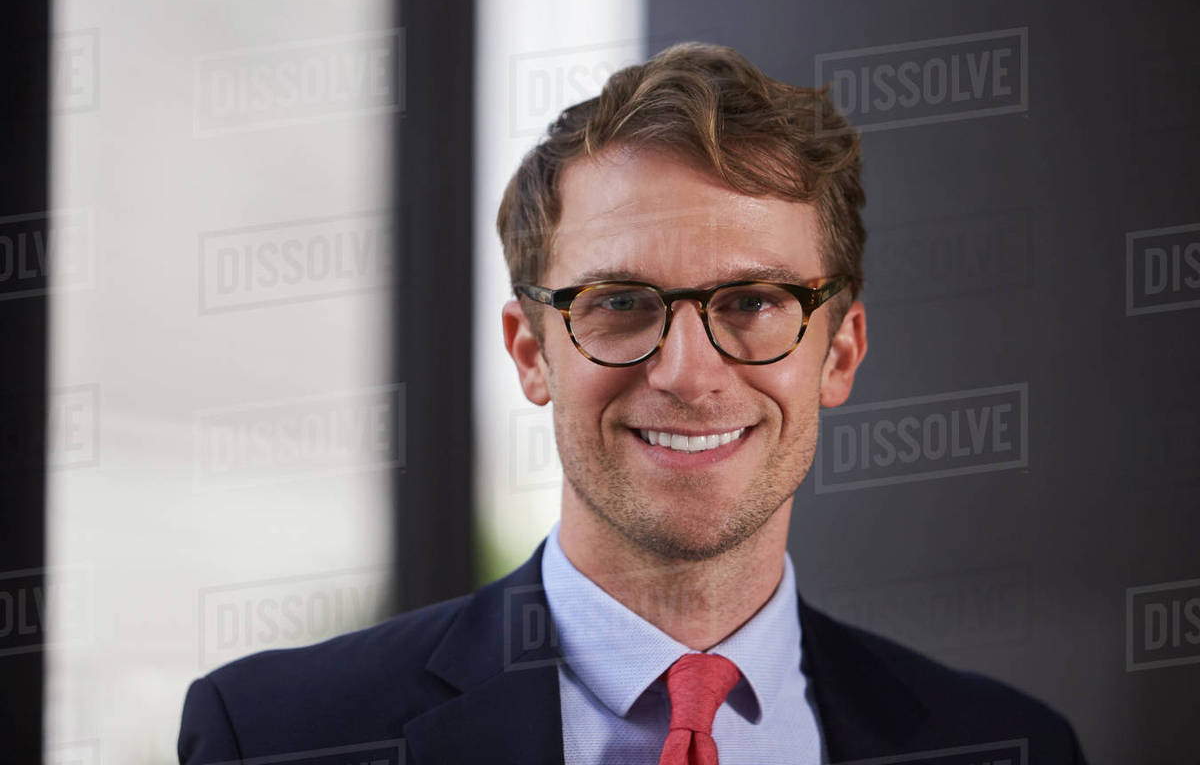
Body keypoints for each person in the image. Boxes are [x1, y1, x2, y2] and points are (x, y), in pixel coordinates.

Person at [178, 42, 1087, 765]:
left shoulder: (1012, 745)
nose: (689, 374)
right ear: (531, 352)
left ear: (838, 352)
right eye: (619, 304)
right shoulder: (275, 736)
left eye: (754, 303)